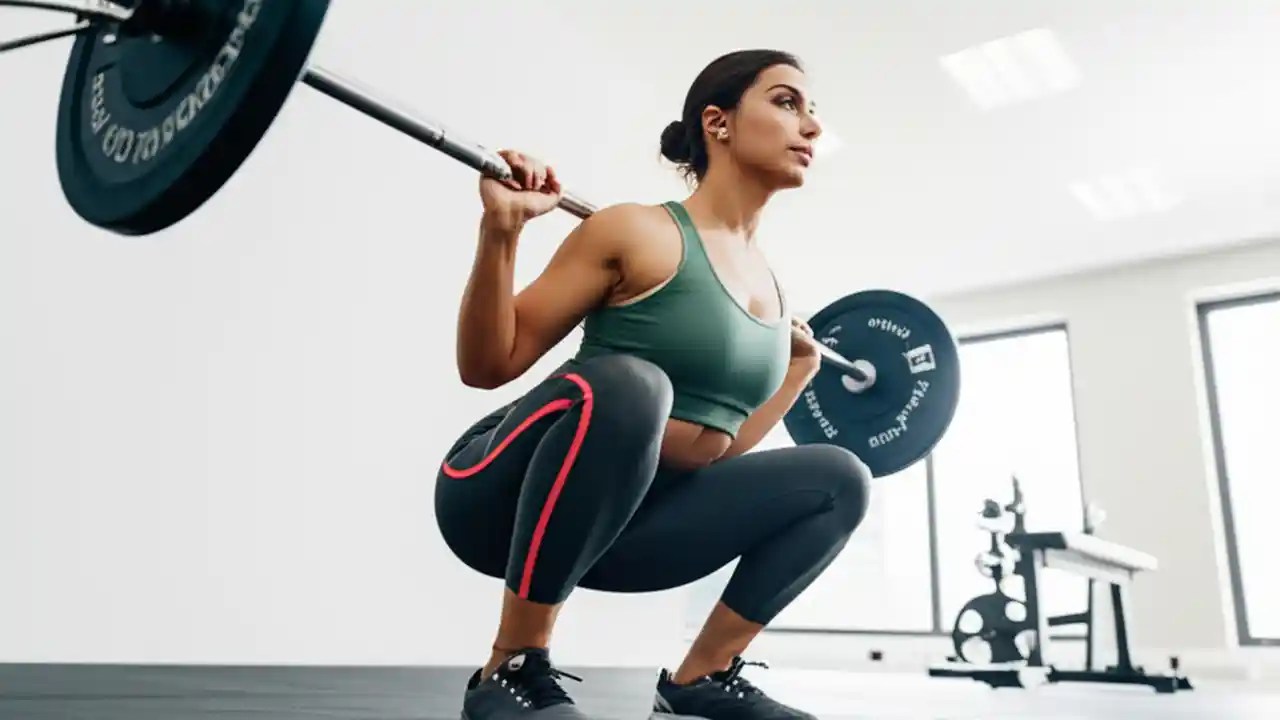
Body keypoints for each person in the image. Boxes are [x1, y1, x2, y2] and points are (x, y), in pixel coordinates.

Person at [435, 49, 871, 720]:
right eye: (787, 102)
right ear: (718, 122)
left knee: (841, 479)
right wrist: (502, 230)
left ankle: (700, 679)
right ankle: (510, 668)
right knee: (634, 387)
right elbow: (488, 365)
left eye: (813, 111)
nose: (810, 126)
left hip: (623, 530)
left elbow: (717, 450)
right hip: (493, 494)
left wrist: (799, 370)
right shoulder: (636, 230)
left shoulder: (773, 291)